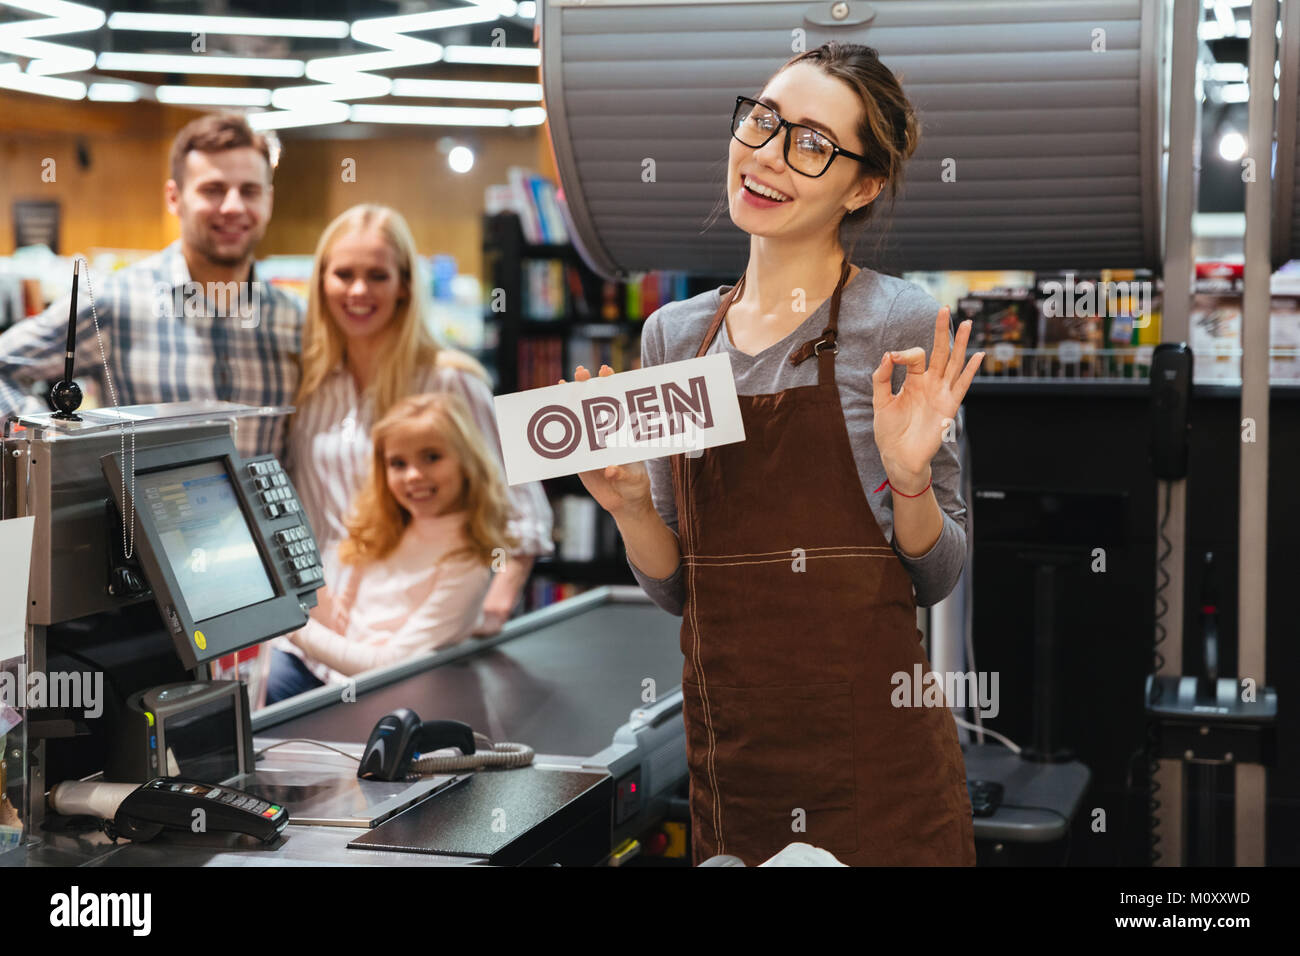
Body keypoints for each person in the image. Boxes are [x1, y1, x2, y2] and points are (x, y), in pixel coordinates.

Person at [565, 42, 986, 866]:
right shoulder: (676, 335)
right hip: (737, 761)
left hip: (876, 766)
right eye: (764, 122)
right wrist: (628, 509)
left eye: (812, 143)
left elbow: (937, 575)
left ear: (861, 186)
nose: (767, 157)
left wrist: (909, 483)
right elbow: (678, 586)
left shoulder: (897, 322)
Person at [285, 203, 551, 640]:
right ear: (321, 283)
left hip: (417, 632)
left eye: (377, 276)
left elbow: (524, 507)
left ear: (405, 286)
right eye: (343, 275)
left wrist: (495, 602)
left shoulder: (450, 380)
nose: (358, 291)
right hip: (320, 632)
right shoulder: (311, 386)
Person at [0, 113, 302, 461]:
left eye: (249, 190)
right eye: (213, 189)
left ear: (269, 199)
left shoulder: (295, 319)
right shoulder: (114, 301)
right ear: (174, 198)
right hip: (144, 515)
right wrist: (54, 446)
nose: (233, 206)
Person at [266, 392, 513, 702]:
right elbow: (344, 619)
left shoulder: (467, 564)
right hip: (330, 676)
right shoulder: (386, 529)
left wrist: (289, 625)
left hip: (375, 695)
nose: (413, 475)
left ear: (467, 460)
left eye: (432, 457)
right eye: (398, 463)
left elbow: (386, 666)